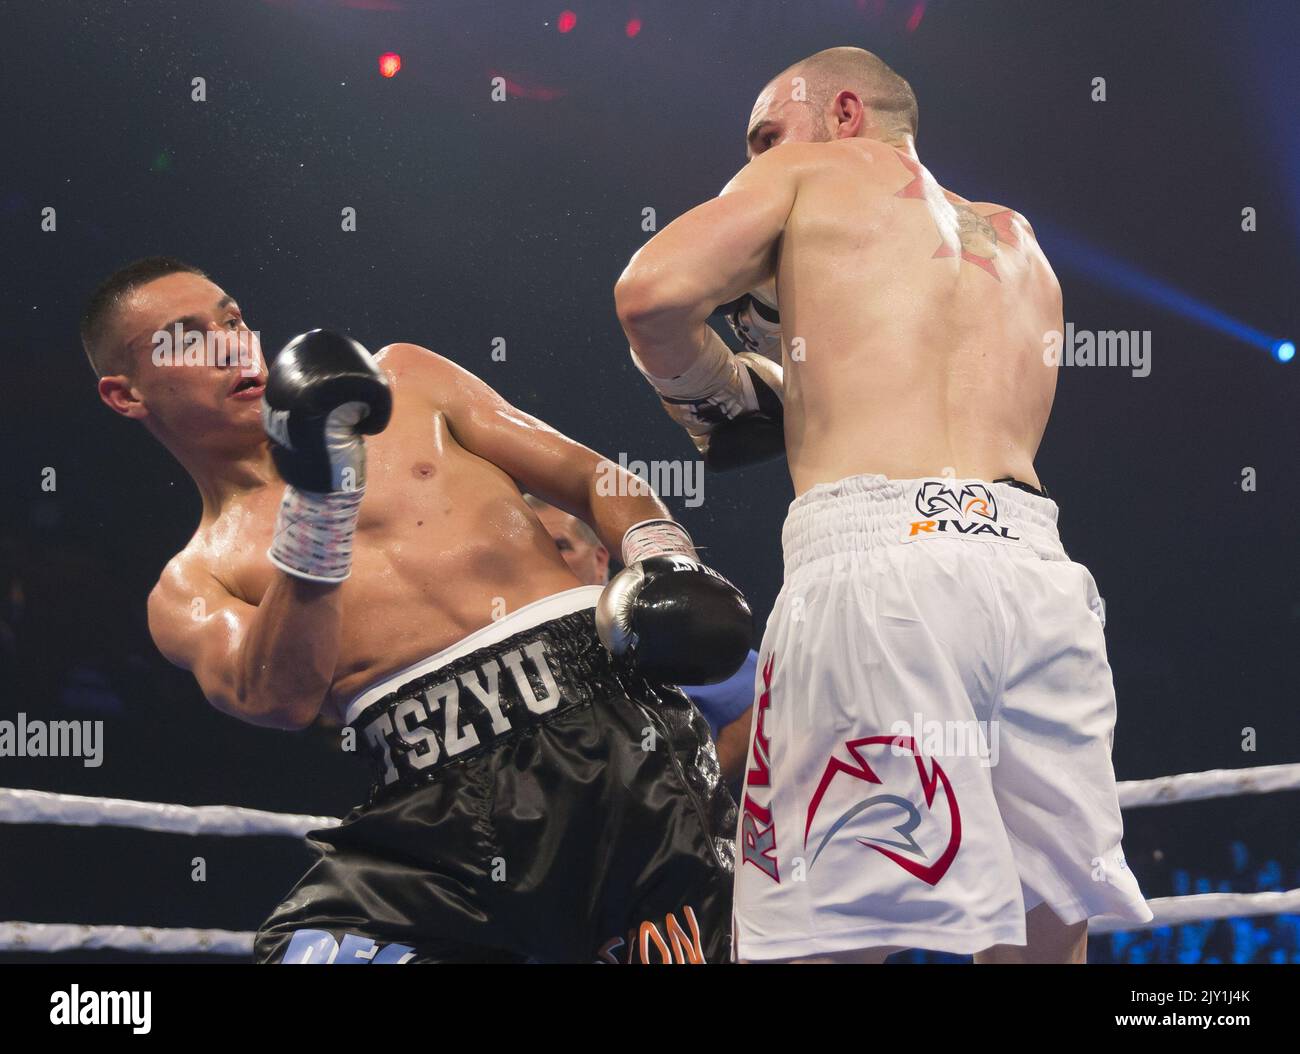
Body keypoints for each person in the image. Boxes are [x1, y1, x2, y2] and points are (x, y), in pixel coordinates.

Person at [614, 47, 1153, 963]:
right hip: (1037, 576)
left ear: (846, 113)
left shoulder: (809, 171)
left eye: (766, 134)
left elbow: (650, 296)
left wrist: (721, 397)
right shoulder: (1017, 242)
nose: (753, 160)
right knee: (1043, 930)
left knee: (814, 940)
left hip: (880, 565)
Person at [81, 256, 750, 963]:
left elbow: (591, 477)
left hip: (611, 741)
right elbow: (279, 697)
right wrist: (321, 506)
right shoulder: (191, 582)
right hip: (433, 807)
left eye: (233, 319)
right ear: (126, 395)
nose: (232, 345)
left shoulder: (403, 379)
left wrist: (663, 557)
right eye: (187, 338)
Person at [524, 494, 755, 793]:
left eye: (560, 546)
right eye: (532, 552)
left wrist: (695, 785)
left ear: (599, 558)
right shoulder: (507, 649)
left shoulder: (651, 629)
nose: (545, 562)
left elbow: (763, 695)